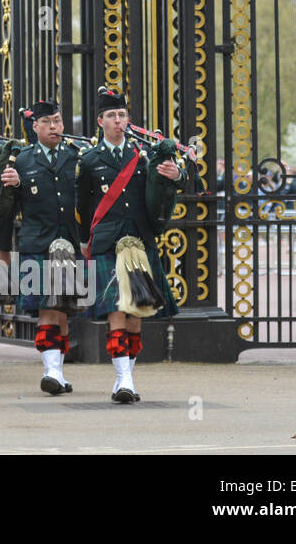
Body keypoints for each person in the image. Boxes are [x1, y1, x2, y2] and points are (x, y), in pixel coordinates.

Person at [77, 87, 183, 402]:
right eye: (111, 115)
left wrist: (176, 174)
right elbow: (82, 204)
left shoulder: (145, 154)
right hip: (108, 241)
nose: (118, 120)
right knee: (116, 309)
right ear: (100, 121)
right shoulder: (89, 159)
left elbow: (174, 181)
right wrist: (85, 240)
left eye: (122, 115)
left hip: (139, 239)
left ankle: (129, 376)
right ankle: (122, 379)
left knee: (136, 312)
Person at [0, 100, 82, 396]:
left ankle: (58, 368)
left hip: (69, 243)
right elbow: (6, 209)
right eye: (47, 122)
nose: (54, 127)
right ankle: (51, 370)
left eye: (57, 121)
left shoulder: (76, 156)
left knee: (63, 310)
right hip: (37, 243)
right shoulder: (21, 161)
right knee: (47, 308)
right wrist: (4, 248)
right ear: (35, 127)